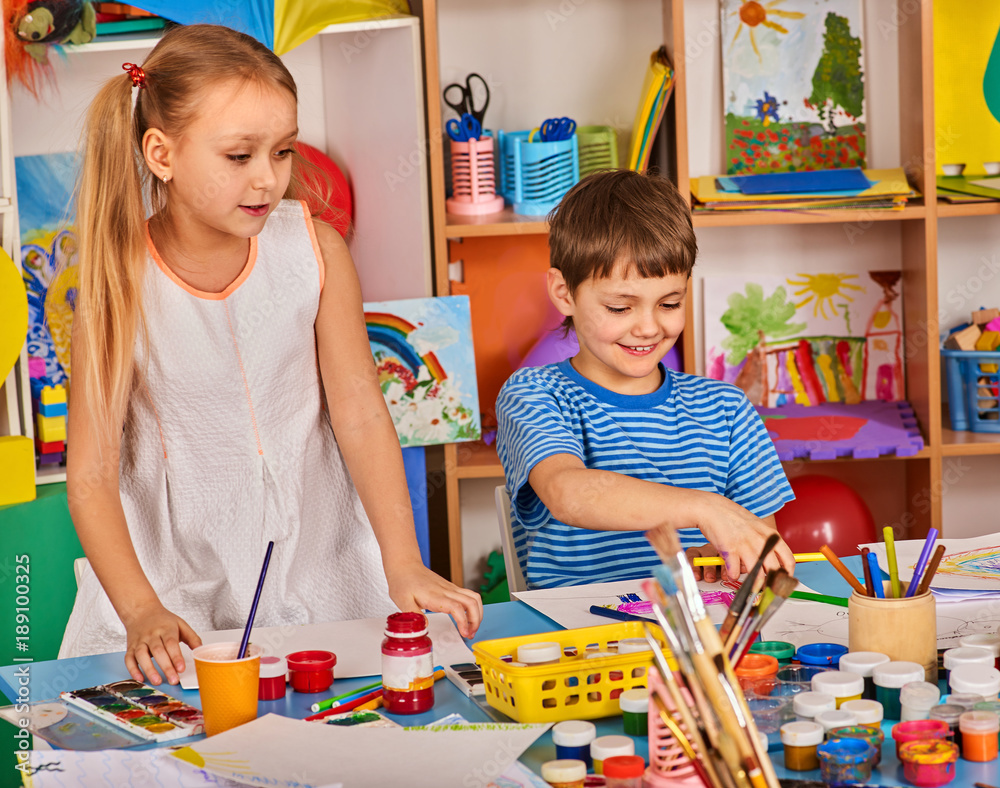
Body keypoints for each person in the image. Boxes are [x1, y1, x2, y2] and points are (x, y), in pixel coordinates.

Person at [61, 24, 482, 684]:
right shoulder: (118, 279)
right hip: (169, 590)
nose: (268, 178)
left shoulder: (315, 252)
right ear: (161, 154)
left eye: (282, 151)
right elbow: (90, 471)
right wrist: (141, 607)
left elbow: (362, 415)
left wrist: (402, 561)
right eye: (239, 156)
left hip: (321, 569)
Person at [495, 170, 796, 590]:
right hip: (582, 633)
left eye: (670, 303)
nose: (649, 328)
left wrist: (729, 563)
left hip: (700, 635)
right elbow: (569, 492)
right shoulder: (535, 394)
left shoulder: (726, 408)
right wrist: (705, 509)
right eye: (621, 308)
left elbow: (759, 550)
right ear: (564, 293)